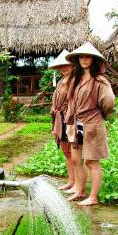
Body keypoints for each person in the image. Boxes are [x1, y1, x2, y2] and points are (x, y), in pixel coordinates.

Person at [64, 43, 115, 206]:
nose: (84, 60)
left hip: (92, 123)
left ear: (93, 60)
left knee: (92, 161)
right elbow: (71, 101)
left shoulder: (99, 80)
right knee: (77, 159)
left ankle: (93, 196)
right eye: (81, 57)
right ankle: (80, 190)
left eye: (87, 57)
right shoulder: (75, 79)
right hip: (76, 123)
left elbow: (109, 102)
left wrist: (99, 114)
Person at [49, 50, 76, 191]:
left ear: (72, 66)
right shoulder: (60, 82)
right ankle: (71, 181)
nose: (64, 68)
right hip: (60, 119)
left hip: (70, 118)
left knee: (74, 151)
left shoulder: (75, 81)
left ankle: (77, 183)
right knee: (66, 151)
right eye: (62, 65)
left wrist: (69, 117)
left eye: (67, 65)